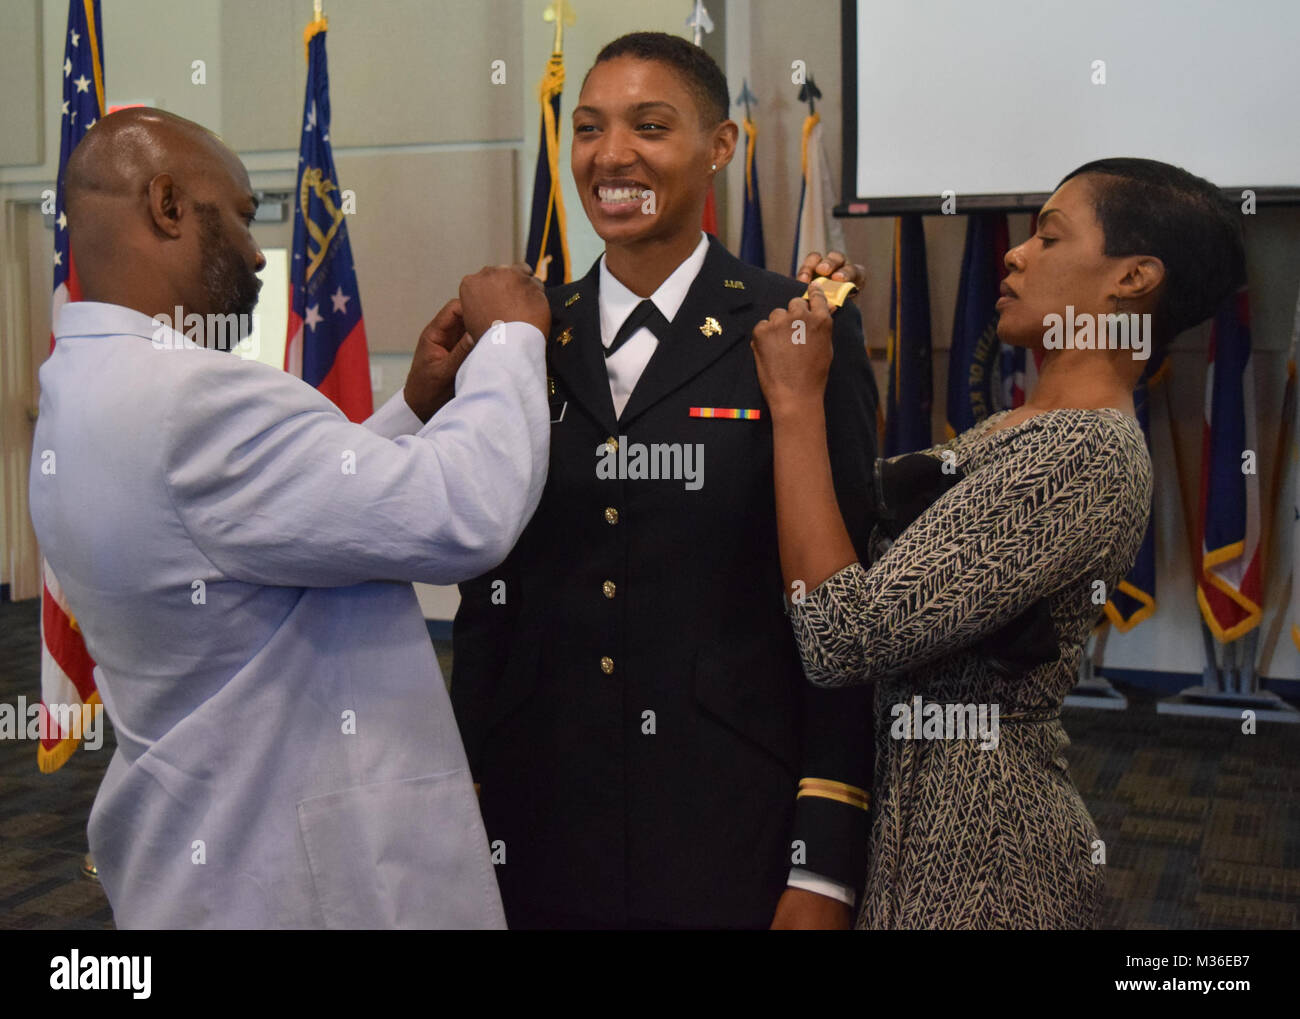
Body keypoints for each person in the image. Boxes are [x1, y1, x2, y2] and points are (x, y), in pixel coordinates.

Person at [28, 107, 553, 929]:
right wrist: (515, 340)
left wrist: (412, 411)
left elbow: (270, 522)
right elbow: (466, 514)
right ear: (168, 205)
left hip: (203, 842)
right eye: (243, 217)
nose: (254, 253)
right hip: (283, 871)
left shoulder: (82, 385)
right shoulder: (193, 397)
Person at [451, 32, 880, 929]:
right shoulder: (525, 337)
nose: (611, 155)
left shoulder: (796, 328)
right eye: (589, 128)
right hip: (543, 807)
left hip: (727, 809)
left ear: (720, 146)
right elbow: (492, 596)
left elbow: (841, 614)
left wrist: (825, 862)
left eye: (650, 126)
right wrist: (465, 796)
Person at [751, 157, 1246, 928]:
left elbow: (842, 636)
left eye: (1050, 237)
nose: (1015, 253)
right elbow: (859, 530)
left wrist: (795, 400)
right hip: (928, 821)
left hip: (985, 865)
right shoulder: (1027, 428)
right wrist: (835, 335)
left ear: (1132, 278)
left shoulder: (1084, 452)